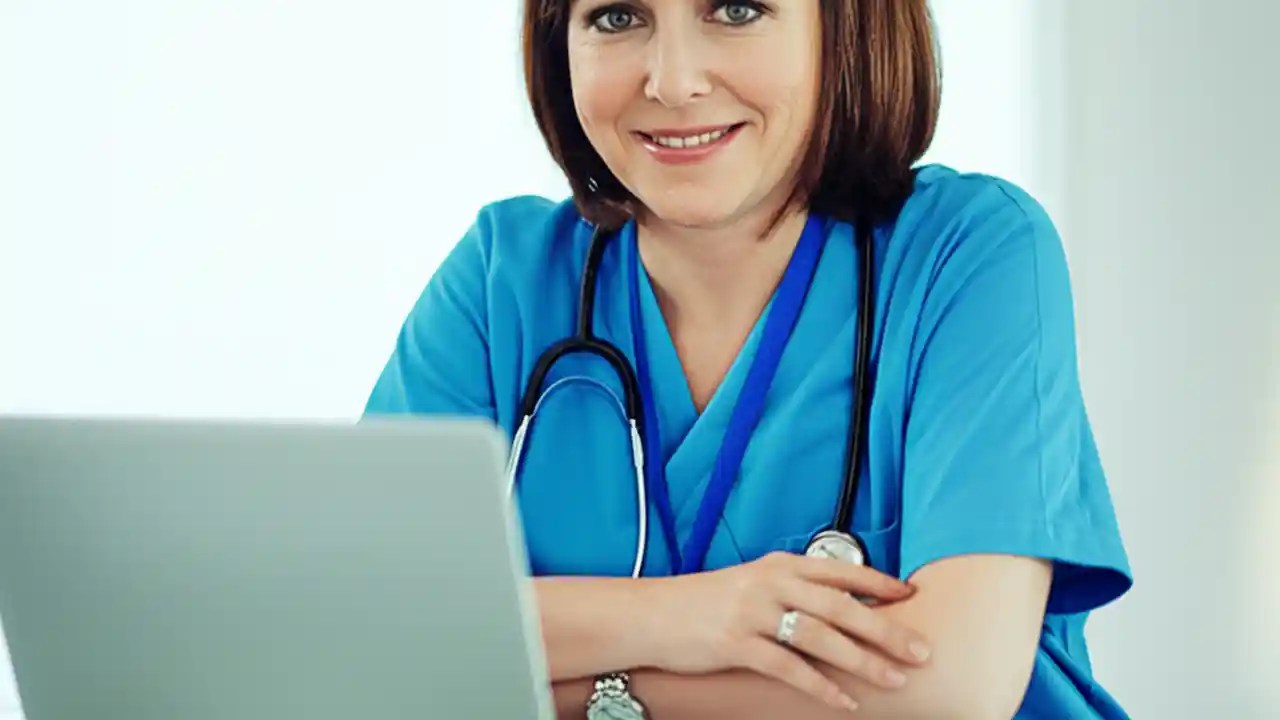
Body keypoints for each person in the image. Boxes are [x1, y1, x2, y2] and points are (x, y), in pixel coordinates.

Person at [364, 0, 1133, 717]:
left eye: (736, 9)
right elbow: (362, 631)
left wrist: (588, 681)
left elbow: (949, 683)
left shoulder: (969, 253)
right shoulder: (503, 281)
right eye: (617, 15)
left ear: (846, 25)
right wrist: (687, 619)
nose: (672, 82)